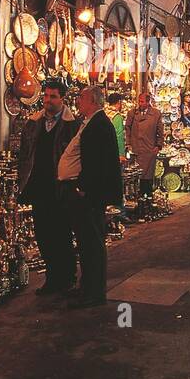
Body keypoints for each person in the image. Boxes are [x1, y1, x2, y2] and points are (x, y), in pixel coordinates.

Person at [58, 85, 123, 308]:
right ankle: (87, 286)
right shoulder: (92, 122)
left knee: (92, 243)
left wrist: (83, 188)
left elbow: (97, 162)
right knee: (87, 243)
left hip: (90, 195)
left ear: (93, 101)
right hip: (86, 193)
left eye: (82, 98)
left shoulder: (99, 124)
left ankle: (94, 293)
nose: (78, 101)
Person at [18, 80, 79, 296]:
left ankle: (67, 277)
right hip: (39, 186)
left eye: (53, 96)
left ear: (62, 98)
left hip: (60, 187)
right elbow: (25, 154)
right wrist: (23, 180)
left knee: (61, 233)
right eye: (45, 96)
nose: (47, 100)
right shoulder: (34, 123)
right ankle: (52, 278)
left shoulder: (72, 125)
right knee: (43, 234)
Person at [125, 92, 165, 205]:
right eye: (139, 101)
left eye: (142, 101)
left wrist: (158, 146)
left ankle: (148, 201)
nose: (140, 104)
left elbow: (160, 131)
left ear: (148, 102)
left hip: (149, 149)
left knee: (147, 176)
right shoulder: (132, 113)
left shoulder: (156, 114)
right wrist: (128, 144)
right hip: (136, 149)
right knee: (136, 176)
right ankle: (137, 201)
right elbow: (127, 129)